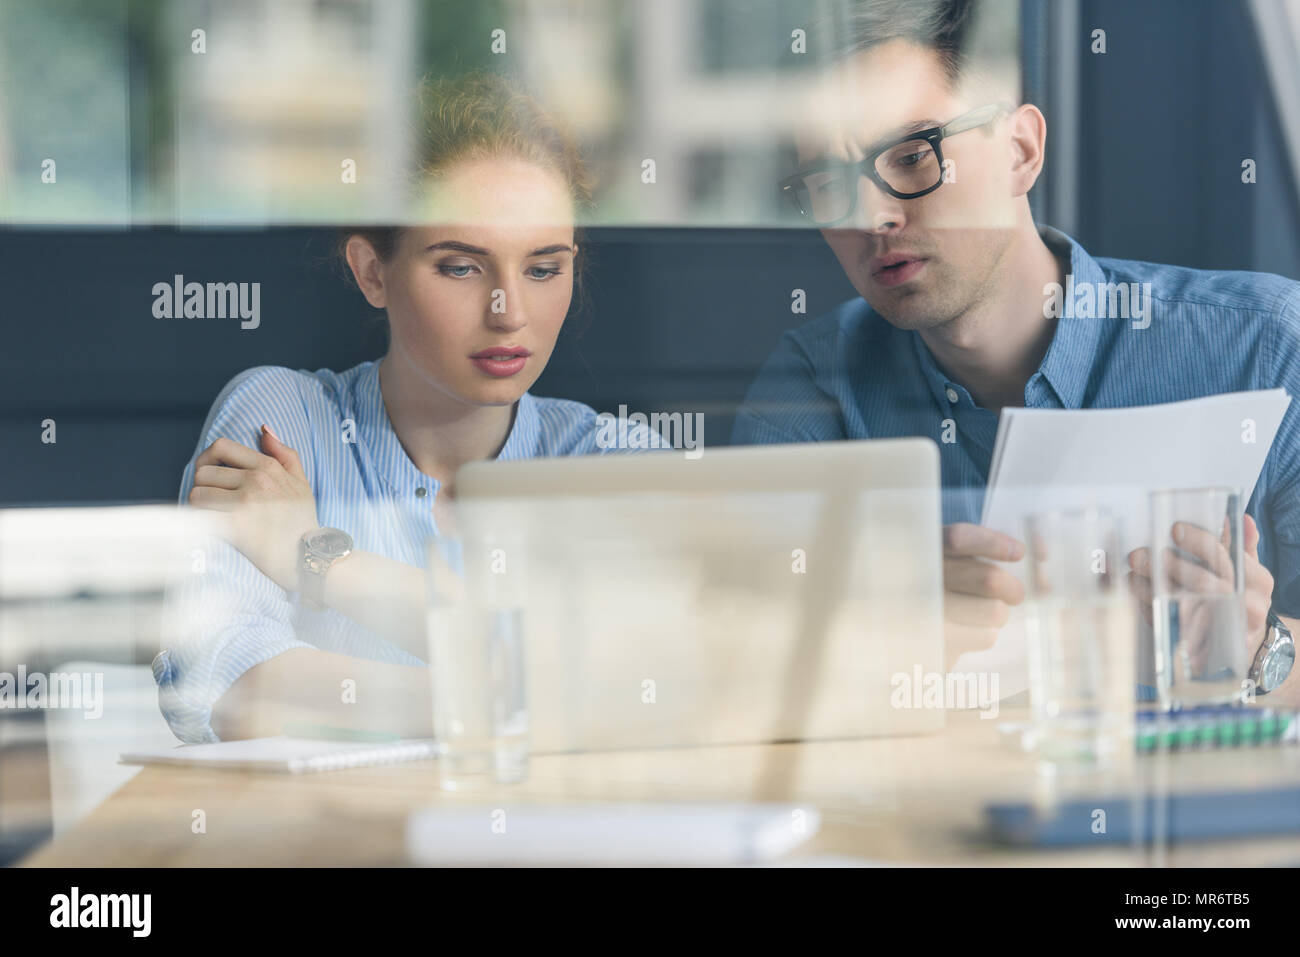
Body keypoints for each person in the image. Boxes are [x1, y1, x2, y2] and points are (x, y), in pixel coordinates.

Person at [732, 0, 1299, 701]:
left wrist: (1266, 652)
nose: (869, 216)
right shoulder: (816, 386)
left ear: (1020, 152)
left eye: (911, 157)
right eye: (826, 182)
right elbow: (744, 676)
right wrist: (886, 645)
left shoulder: (1267, 345)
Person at [156, 72, 658, 743]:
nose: (509, 312)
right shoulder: (282, 419)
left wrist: (324, 562)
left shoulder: (615, 457)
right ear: (372, 271)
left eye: (542, 268)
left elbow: (645, 679)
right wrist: (508, 697)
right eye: (461, 266)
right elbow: (221, 679)